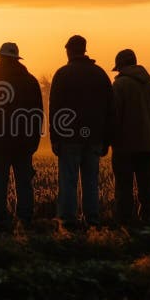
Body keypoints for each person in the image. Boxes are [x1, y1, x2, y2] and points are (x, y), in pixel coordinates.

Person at [49, 35, 114, 228]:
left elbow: (55, 109)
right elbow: (110, 110)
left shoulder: (62, 74)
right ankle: (92, 219)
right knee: (91, 181)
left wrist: (55, 137)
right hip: (93, 137)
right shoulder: (100, 74)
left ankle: (68, 220)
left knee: (68, 180)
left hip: (69, 137)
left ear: (69, 50)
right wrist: (106, 140)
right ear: (84, 50)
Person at [0, 42, 43, 228]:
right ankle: (25, 220)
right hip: (23, 144)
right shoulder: (30, 81)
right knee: (24, 184)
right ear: (16, 59)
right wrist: (34, 140)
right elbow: (37, 114)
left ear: (0, 58)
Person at [111, 49, 150, 225]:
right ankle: (148, 219)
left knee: (124, 187)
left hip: (124, 145)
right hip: (149, 144)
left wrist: (110, 139)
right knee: (147, 187)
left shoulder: (120, 85)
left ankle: (125, 222)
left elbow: (114, 116)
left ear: (121, 66)